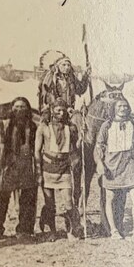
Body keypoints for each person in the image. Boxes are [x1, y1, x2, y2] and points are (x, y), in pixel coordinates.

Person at [0, 97, 37, 240]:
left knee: (28, 197)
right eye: (16, 107)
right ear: (11, 108)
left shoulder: (33, 126)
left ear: (27, 109)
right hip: (9, 164)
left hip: (26, 164)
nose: (19, 110)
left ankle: (24, 229)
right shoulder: (5, 124)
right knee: (2, 197)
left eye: (23, 107)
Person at [96, 98, 134, 240]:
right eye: (120, 106)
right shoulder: (107, 125)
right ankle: (114, 230)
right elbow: (99, 145)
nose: (123, 108)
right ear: (114, 108)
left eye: (125, 106)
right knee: (109, 198)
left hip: (129, 163)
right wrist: (99, 162)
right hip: (111, 164)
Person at [35, 100, 80, 239]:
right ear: (52, 110)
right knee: (50, 204)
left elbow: (75, 148)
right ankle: (52, 232)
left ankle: (71, 231)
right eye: (58, 110)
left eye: (63, 110)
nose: (61, 113)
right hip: (47, 168)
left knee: (68, 202)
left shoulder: (71, 127)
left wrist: (80, 137)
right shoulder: (43, 127)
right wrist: (38, 172)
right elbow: (37, 151)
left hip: (64, 168)